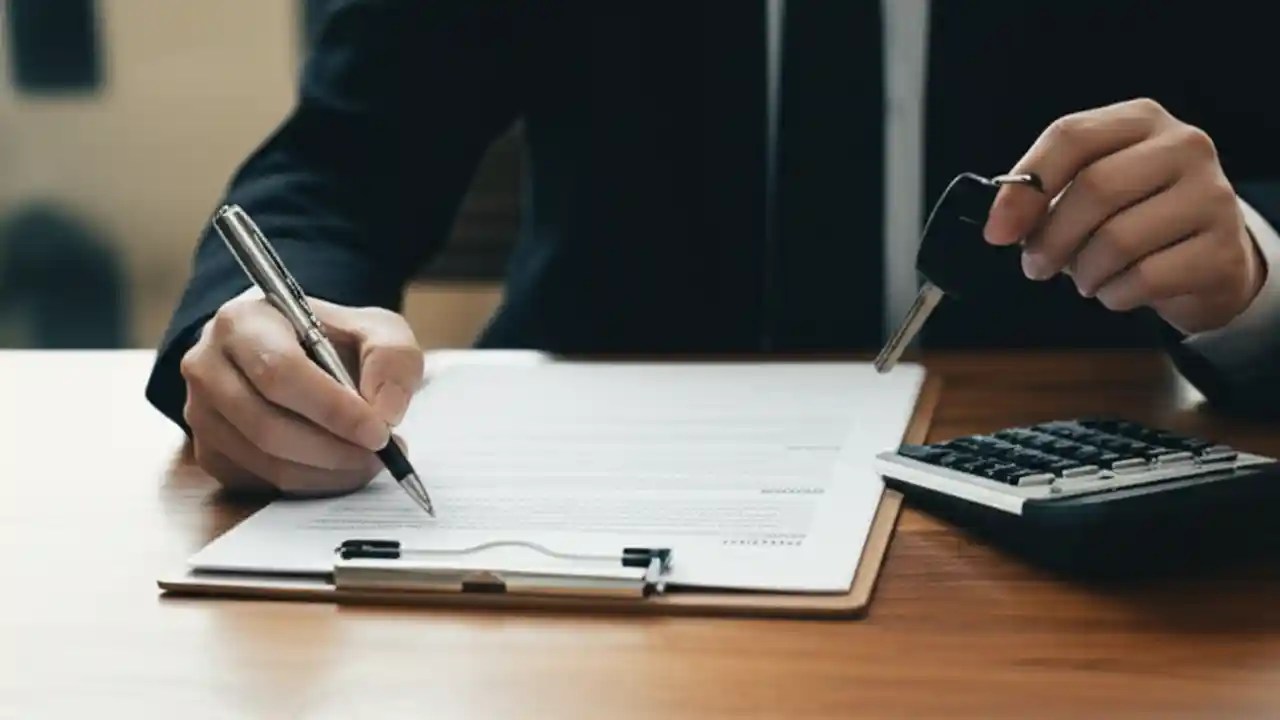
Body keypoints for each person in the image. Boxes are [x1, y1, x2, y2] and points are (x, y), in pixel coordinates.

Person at [147, 3, 1280, 497]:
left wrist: (1250, 275)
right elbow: (339, 161)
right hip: (596, 490)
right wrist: (262, 339)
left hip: (1065, 495)